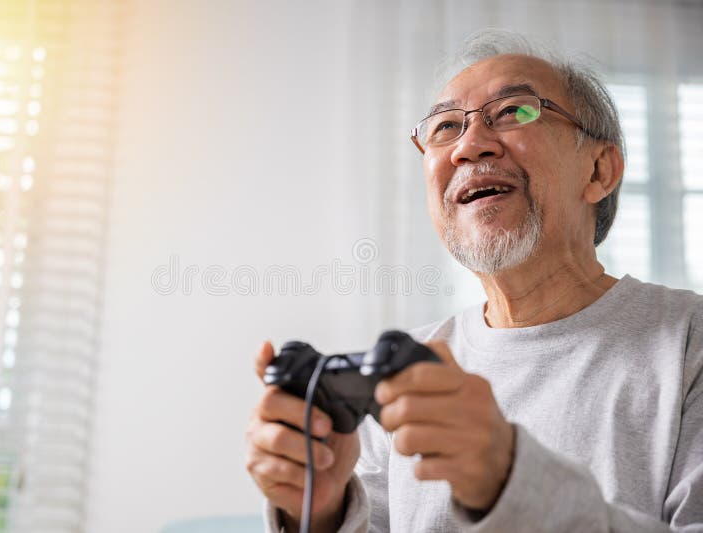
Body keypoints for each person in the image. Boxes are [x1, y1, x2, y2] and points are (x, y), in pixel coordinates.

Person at [245, 30, 703, 532]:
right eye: (444, 127)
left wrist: (510, 482)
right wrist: (320, 509)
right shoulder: (410, 364)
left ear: (599, 169)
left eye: (513, 111)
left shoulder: (688, 342)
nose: (468, 146)